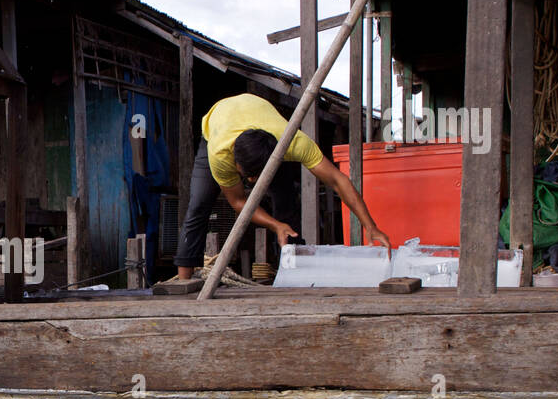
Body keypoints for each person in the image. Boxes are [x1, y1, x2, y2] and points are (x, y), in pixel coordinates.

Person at [153, 93, 390, 294]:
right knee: (199, 204)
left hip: (264, 124)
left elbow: (338, 181)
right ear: (236, 163)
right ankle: (183, 283)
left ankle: (296, 275)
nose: (253, 182)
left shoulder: (292, 142)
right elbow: (238, 201)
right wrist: (275, 225)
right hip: (218, 125)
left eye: (258, 175)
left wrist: (370, 225)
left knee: (285, 199)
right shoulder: (220, 154)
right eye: (248, 176)